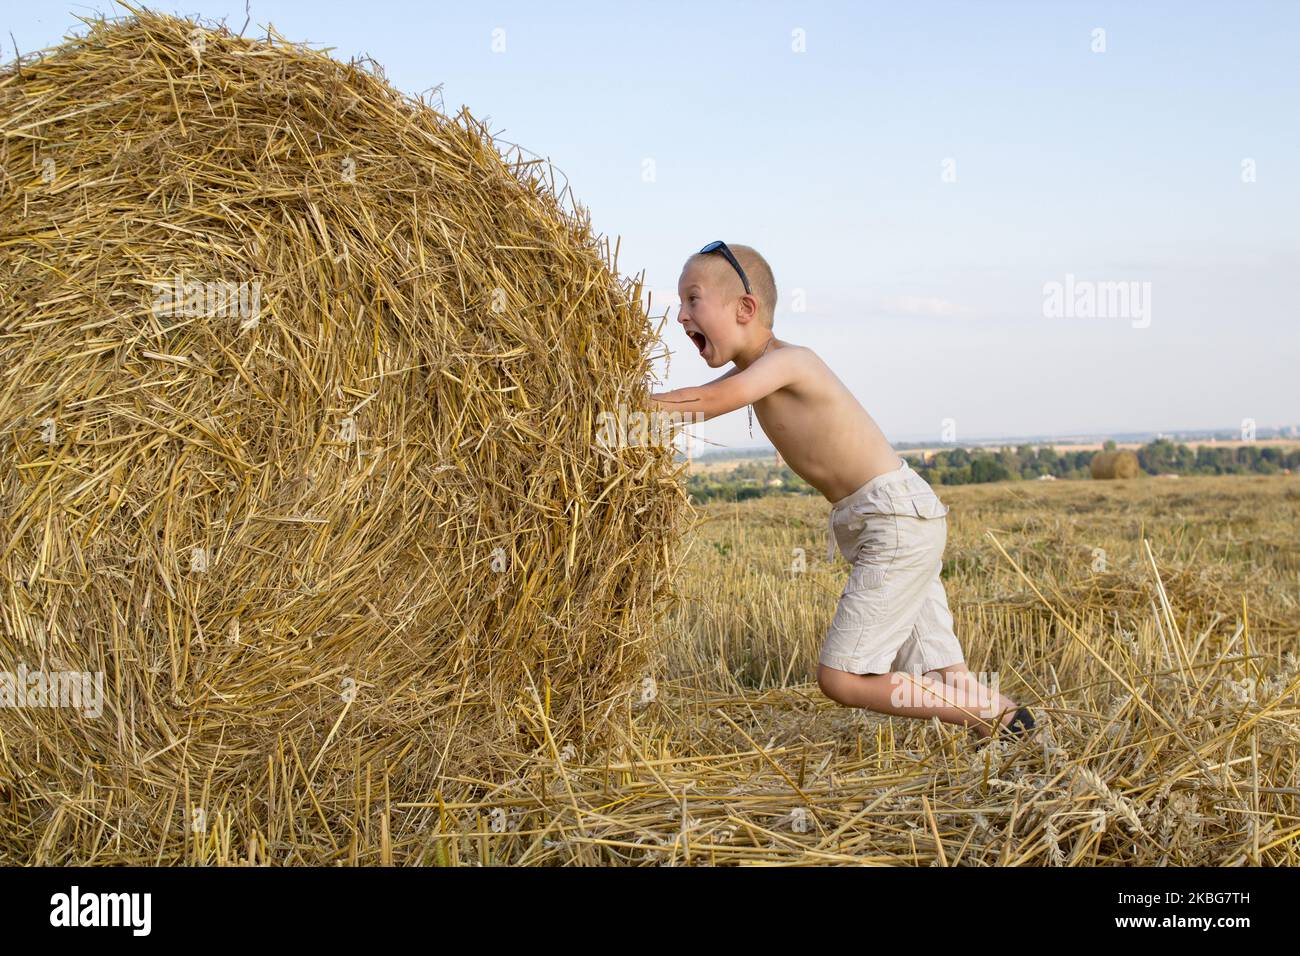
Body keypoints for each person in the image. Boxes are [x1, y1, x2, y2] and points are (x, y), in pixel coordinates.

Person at [649, 241, 1038, 741]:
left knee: (843, 678)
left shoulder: (790, 362)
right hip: (894, 518)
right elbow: (704, 394)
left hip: (893, 519)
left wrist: (605, 407)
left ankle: (990, 716)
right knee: (945, 674)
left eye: (692, 300)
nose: (680, 315)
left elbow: (705, 400)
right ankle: (1016, 733)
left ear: (745, 309)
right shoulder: (756, 370)